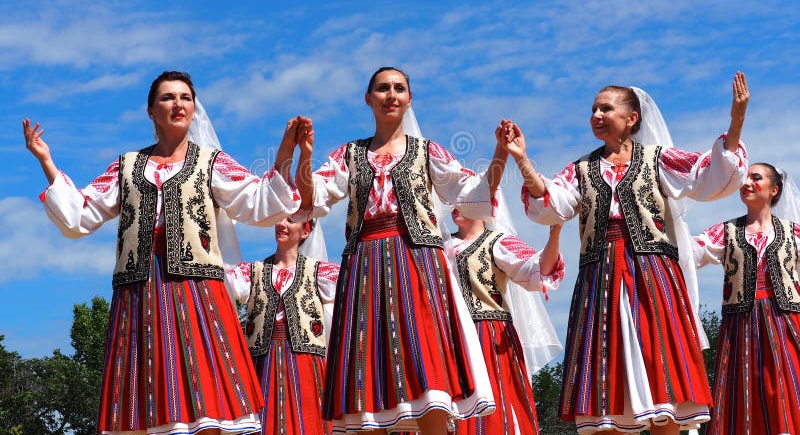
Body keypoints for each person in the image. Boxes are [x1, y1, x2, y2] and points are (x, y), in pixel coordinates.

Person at [22, 71, 304, 435]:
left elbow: (259, 202)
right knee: (149, 396)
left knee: (205, 400)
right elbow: (80, 213)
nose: (178, 104)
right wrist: (46, 161)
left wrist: (284, 152)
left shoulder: (211, 162)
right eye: (169, 98)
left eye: (186, 98)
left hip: (197, 289)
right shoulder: (127, 165)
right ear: (151, 110)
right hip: (140, 291)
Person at [502, 72, 750, 434]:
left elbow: (709, 174)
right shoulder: (581, 169)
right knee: (606, 385)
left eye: (606, 108)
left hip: (653, 278)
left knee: (662, 381)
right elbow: (551, 205)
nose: (596, 115)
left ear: (631, 118)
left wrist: (736, 121)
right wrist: (522, 160)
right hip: (599, 280)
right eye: (593, 109)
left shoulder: (658, 159)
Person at [302, 67, 505, 434]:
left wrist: (501, 155)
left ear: (409, 99)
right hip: (364, 266)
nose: (391, 95)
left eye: (399, 89)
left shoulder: (427, 151)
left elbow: (472, 196)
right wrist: (302, 156)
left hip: (418, 264)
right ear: (368, 99)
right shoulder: (348, 154)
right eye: (382, 89)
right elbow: (311, 198)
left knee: (429, 373)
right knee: (370, 377)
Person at [694, 163, 800, 435]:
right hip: (741, 325)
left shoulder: (794, 232)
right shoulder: (726, 231)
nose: (747, 183)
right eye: (745, 177)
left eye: (756, 177)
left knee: (788, 388)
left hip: (786, 323)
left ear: (774, 190)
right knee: (744, 392)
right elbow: (692, 252)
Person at [446, 207, 565, 435]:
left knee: (494, 410)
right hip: (449, 339)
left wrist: (555, 234)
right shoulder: (440, 245)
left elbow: (540, 270)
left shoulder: (498, 242)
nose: (455, 207)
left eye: (464, 201)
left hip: (487, 336)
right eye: (453, 201)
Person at [225, 217, 340, 435]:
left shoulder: (320, 273)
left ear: (306, 231)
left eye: (290, 220)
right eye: (279, 218)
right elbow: (222, 284)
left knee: (307, 422)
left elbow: (350, 297)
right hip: (262, 365)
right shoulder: (252, 272)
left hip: (306, 364)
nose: (281, 224)